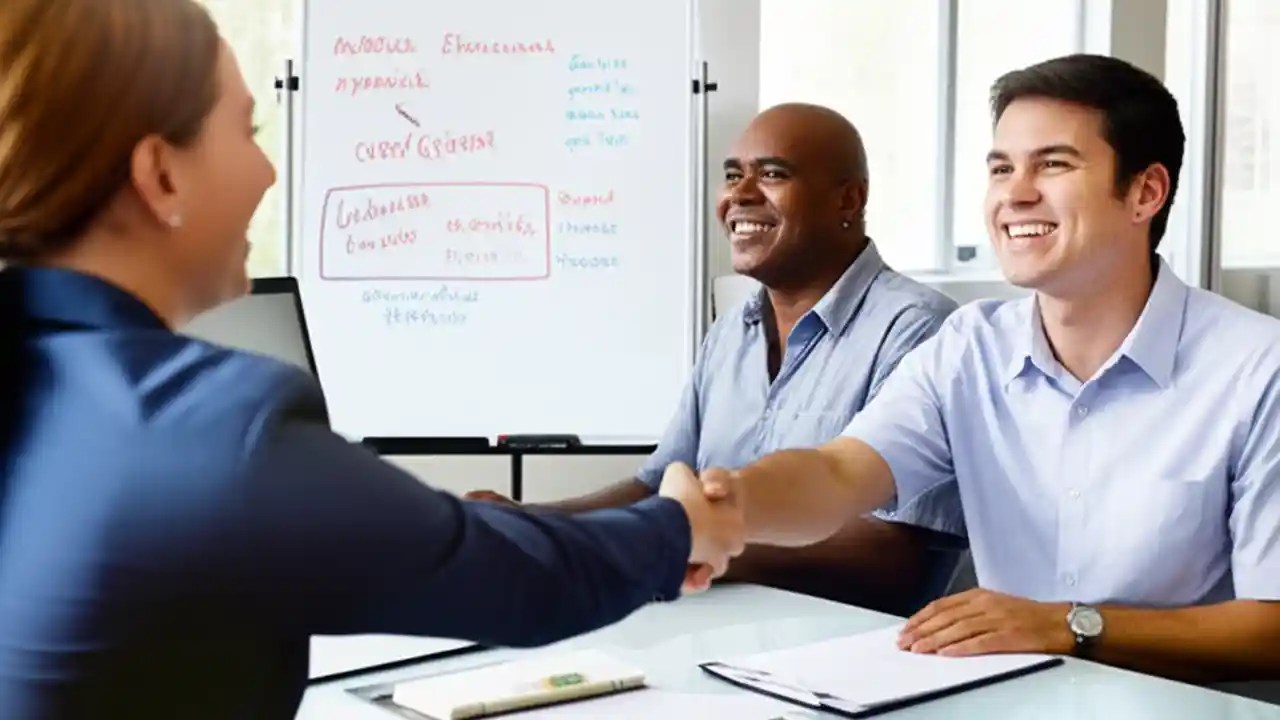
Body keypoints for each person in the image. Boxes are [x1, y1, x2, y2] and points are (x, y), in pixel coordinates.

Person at [0, 2, 745, 717]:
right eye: (248, 130)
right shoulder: (210, 427)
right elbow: (515, 577)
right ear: (161, 174)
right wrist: (678, 526)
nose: (267, 171)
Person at [679, 53, 1280, 684]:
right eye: (1001, 168)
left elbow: (1273, 629)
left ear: (1145, 192)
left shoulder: (1255, 367)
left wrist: (1069, 626)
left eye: (1053, 164)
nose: (1016, 194)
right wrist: (732, 504)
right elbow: (838, 472)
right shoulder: (970, 345)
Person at [468, 103, 964, 614]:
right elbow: (657, 486)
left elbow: (896, 561)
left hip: (845, 655)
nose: (740, 195)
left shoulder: (920, 331)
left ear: (849, 198)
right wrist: (535, 525)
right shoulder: (732, 331)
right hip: (713, 637)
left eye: (772, 173)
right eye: (733, 175)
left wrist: (685, 542)